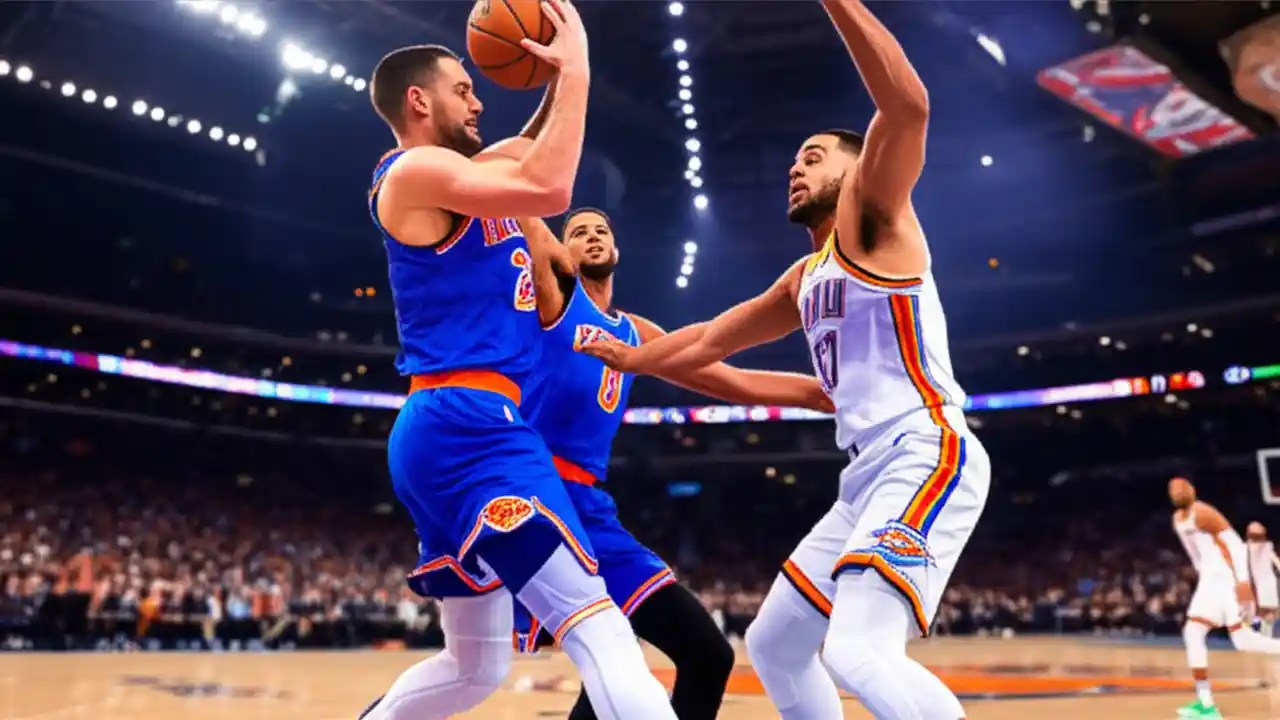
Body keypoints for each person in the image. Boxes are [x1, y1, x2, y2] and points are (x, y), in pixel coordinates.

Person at [580, 1, 990, 717]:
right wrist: (632, 356)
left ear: (859, 168)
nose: (794, 171)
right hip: (866, 473)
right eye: (793, 162)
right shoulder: (804, 278)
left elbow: (908, 104)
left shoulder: (874, 217)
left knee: (859, 650)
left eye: (813, 157)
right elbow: (711, 343)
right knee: (774, 641)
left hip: (927, 448)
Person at [357, 3, 677, 718]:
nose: (477, 99)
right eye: (463, 88)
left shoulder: (463, 176)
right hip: (471, 422)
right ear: (419, 100)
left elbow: (522, 153)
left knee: (475, 665)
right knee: (599, 629)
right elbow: (551, 188)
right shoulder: (412, 172)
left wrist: (551, 87)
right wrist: (579, 69)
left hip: (450, 427)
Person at [508, 206, 833, 720]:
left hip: (590, 509)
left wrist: (816, 395)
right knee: (612, 662)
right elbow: (523, 212)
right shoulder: (554, 303)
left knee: (703, 654)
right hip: (537, 498)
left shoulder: (638, 333)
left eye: (602, 231)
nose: (592, 237)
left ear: (617, 249)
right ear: (560, 251)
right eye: (577, 232)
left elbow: (729, 380)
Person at [1170, 477, 1280, 719]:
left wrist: (1242, 582)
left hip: (1228, 579)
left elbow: (1236, 545)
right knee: (1194, 633)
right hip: (1211, 582)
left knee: (1243, 640)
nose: (1177, 490)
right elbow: (1195, 554)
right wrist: (1203, 577)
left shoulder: (1204, 512)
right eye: (1172, 488)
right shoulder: (1178, 521)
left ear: (1192, 490)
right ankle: (1205, 704)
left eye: (1181, 486)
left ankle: (1206, 705)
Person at [1246, 521, 1280, 637]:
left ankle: (1263, 636)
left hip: (1263, 583)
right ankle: (1261, 635)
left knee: (1264, 612)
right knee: (1261, 612)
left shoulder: (1264, 547)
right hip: (1258, 583)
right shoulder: (1263, 547)